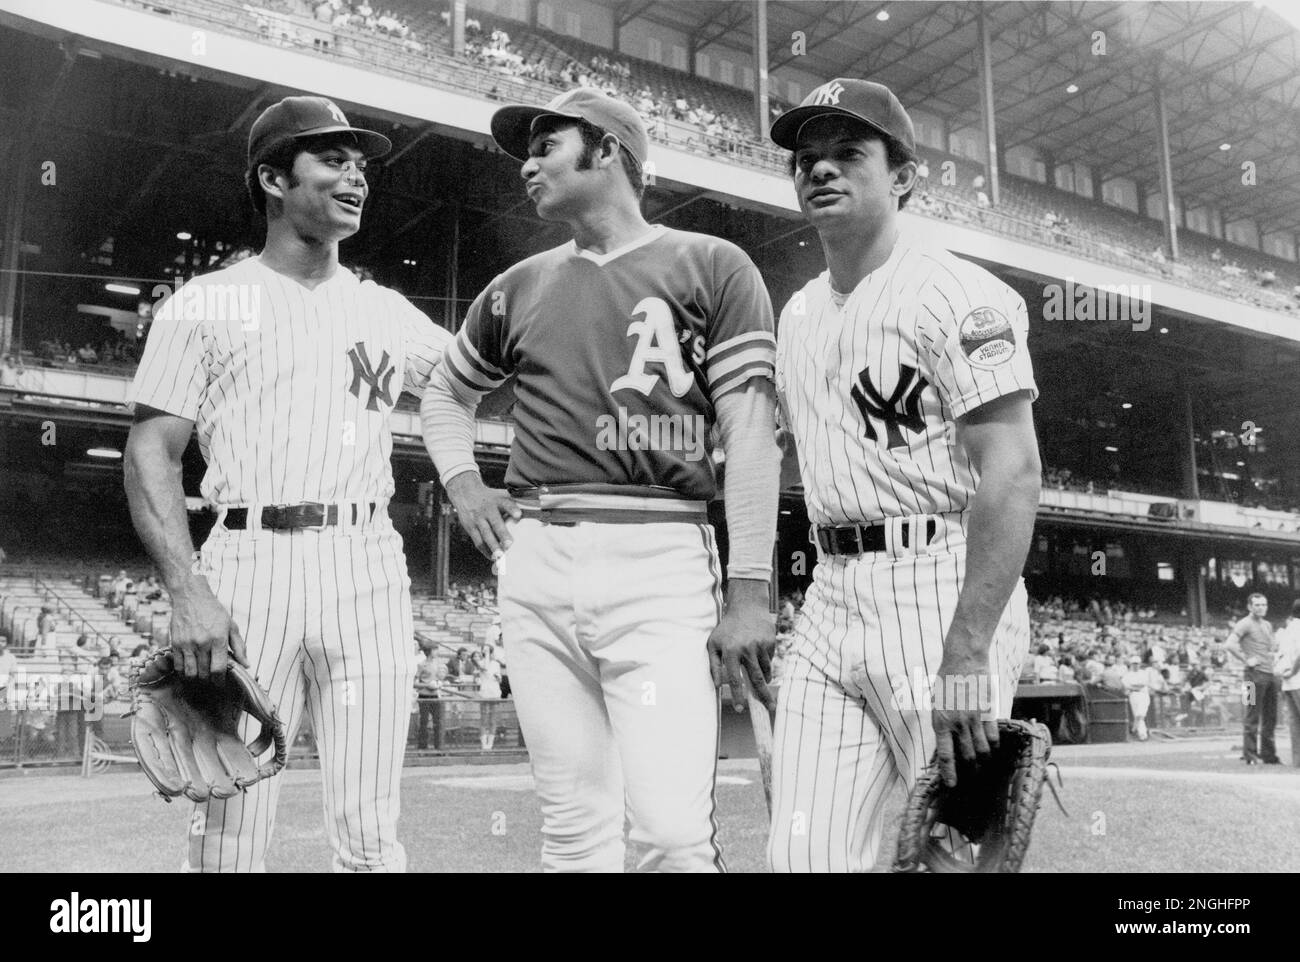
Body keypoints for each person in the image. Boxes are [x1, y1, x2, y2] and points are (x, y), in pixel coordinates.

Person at [421, 87, 779, 873]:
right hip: (538, 556)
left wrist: (752, 588)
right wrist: (461, 481)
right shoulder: (517, 285)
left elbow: (751, 433)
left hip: (660, 552)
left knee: (672, 836)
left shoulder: (713, 264)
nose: (527, 163)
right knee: (573, 834)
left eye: (547, 144)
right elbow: (444, 393)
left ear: (609, 149)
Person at [124, 95, 451, 872]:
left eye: (361, 165)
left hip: (366, 559)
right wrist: (185, 589)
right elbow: (151, 453)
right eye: (332, 159)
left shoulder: (389, 312)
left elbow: (480, 385)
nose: (355, 176)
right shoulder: (206, 302)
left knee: (372, 832)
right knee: (228, 836)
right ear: (273, 177)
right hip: (247, 567)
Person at [765, 79, 1040, 872]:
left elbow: (1013, 473)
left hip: (938, 584)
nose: (820, 170)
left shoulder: (956, 292)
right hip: (832, 589)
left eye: (849, 153)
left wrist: (967, 657)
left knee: (940, 854)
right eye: (806, 159)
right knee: (800, 858)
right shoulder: (800, 312)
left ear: (904, 176)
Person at [1224, 593, 1281, 763]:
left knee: (1271, 717)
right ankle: (1250, 755)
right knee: (1251, 715)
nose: (1261, 607)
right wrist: (1246, 659)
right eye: (1257, 605)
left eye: (1264, 604)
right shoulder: (1244, 623)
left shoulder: (1268, 625)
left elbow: (1271, 646)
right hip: (1251, 675)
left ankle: (1268, 754)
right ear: (1249, 607)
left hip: (1269, 674)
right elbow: (1229, 644)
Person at [1275, 598, 1300, 767]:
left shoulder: (1286, 630)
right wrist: (1293, 671)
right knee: (1251, 714)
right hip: (1296, 678)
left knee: (1295, 724)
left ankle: (1297, 761)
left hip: (1286, 682)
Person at [1123, 655, 1151, 740]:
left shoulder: (1143, 673)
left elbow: (1142, 684)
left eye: (1137, 664)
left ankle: (1134, 729)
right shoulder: (1128, 674)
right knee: (1138, 715)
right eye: (1134, 664)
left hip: (1143, 695)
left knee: (1140, 714)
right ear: (1131, 664)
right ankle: (1142, 734)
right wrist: (1134, 687)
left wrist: (1133, 686)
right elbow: (1126, 686)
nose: (1136, 665)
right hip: (1134, 695)